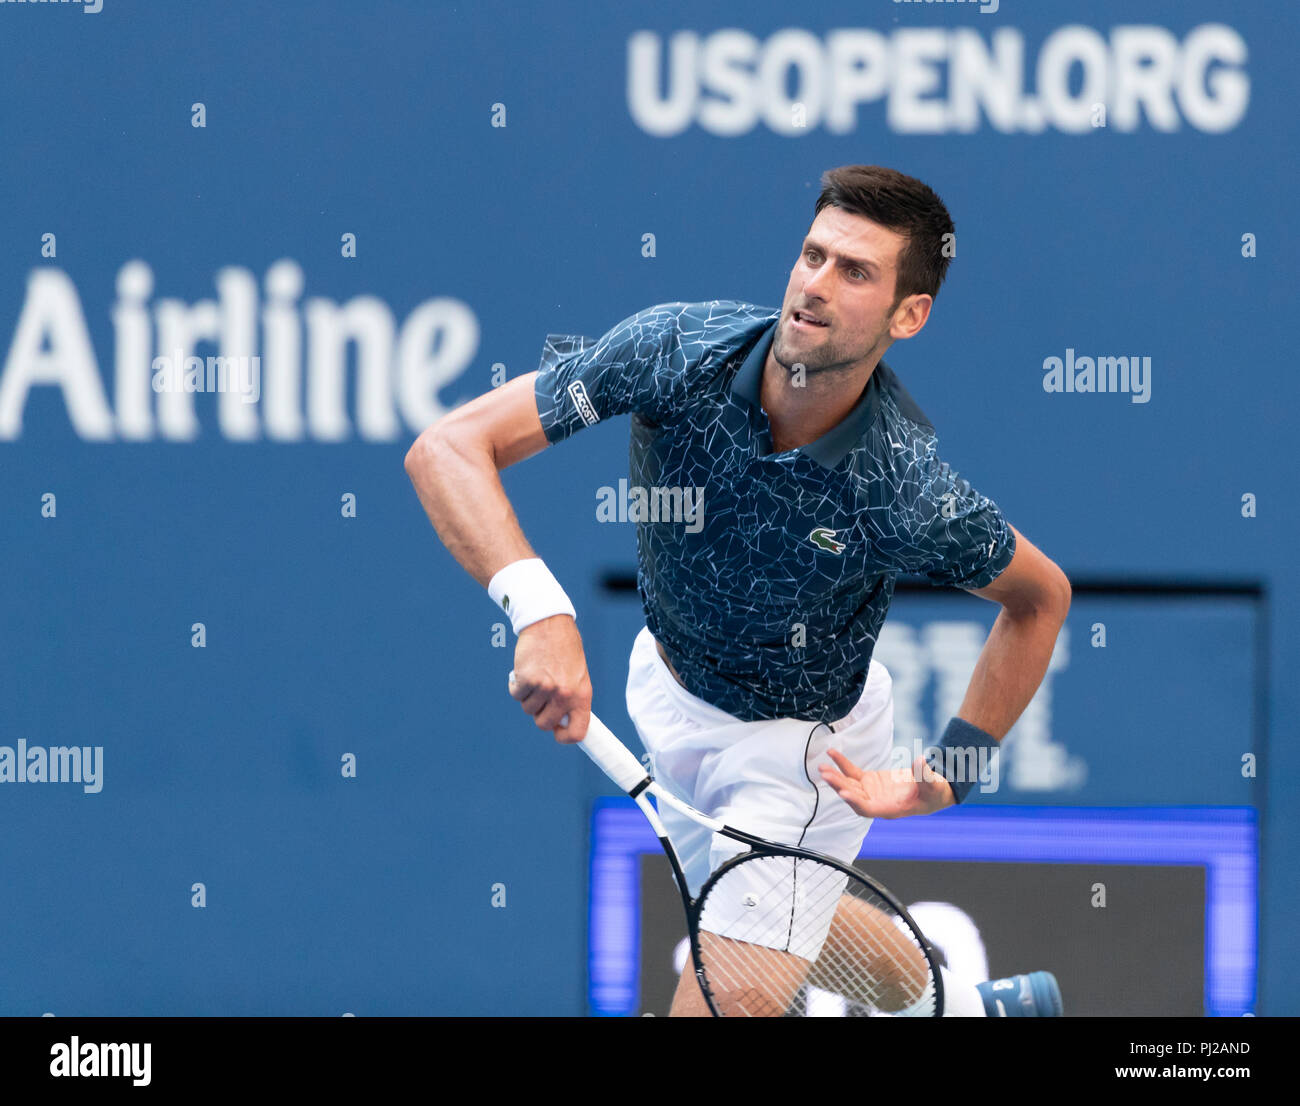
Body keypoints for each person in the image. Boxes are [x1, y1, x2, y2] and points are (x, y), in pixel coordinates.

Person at [405, 165, 1070, 1017]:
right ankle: (977, 1012)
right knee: (781, 898)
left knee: (738, 962)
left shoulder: (903, 486)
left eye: (855, 272)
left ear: (910, 315)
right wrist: (540, 613)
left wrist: (952, 772)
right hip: (670, 692)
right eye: (813, 255)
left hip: (803, 755)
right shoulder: (674, 350)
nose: (815, 286)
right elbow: (450, 447)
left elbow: (1040, 599)